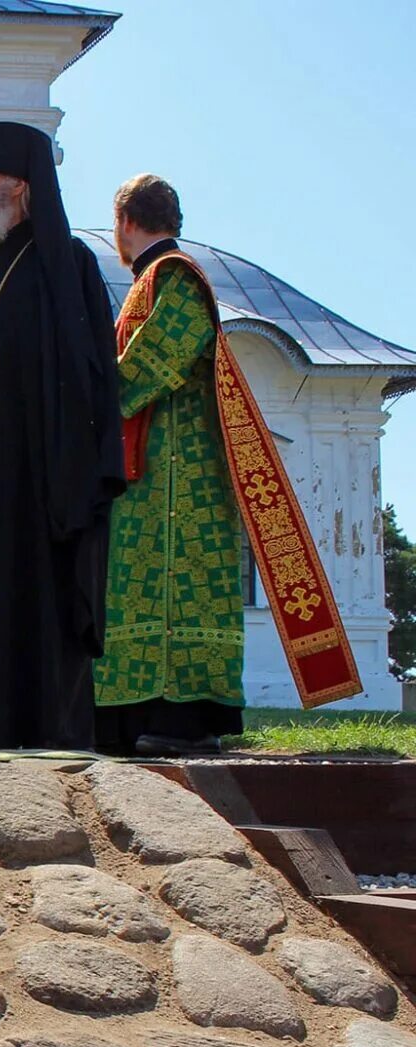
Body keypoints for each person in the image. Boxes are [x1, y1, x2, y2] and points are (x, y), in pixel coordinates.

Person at [96, 174, 360, 753]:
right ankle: (133, 718)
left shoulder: (175, 277)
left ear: (123, 222)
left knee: (174, 588)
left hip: (179, 475)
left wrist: (87, 398)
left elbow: (156, 360)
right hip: (150, 472)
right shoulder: (148, 281)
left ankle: (180, 720)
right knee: (140, 588)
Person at [0, 122, 124, 752]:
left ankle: (45, 732)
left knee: (37, 605)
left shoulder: (69, 266)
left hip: (40, 481)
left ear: (21, 184)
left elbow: (92, 378)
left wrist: (72, 467)